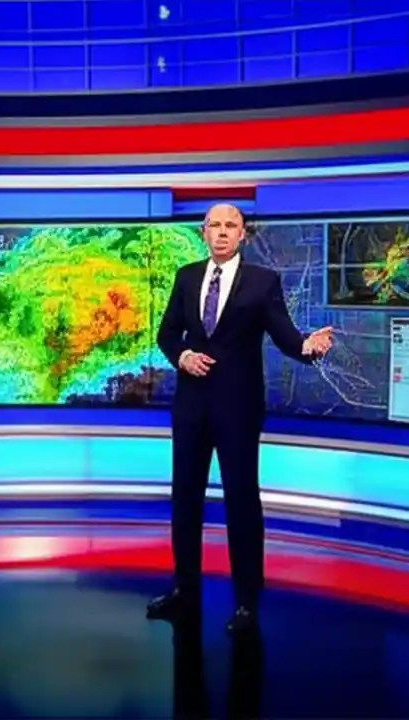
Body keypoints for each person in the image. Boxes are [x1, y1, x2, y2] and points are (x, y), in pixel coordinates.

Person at [148, 203, 333, 634]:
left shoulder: (261, 282)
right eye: (215, 225)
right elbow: (167, 333)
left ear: (243, 235)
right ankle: (183, 591)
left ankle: (247, 602)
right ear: (203, 232)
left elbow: (286, 336)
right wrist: (183, 355)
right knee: (185, 500)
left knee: (242, 504)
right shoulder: (187, 276)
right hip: (192, 408)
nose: (222, 233)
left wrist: (309, 347)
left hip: (238, 409)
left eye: (231, 226)